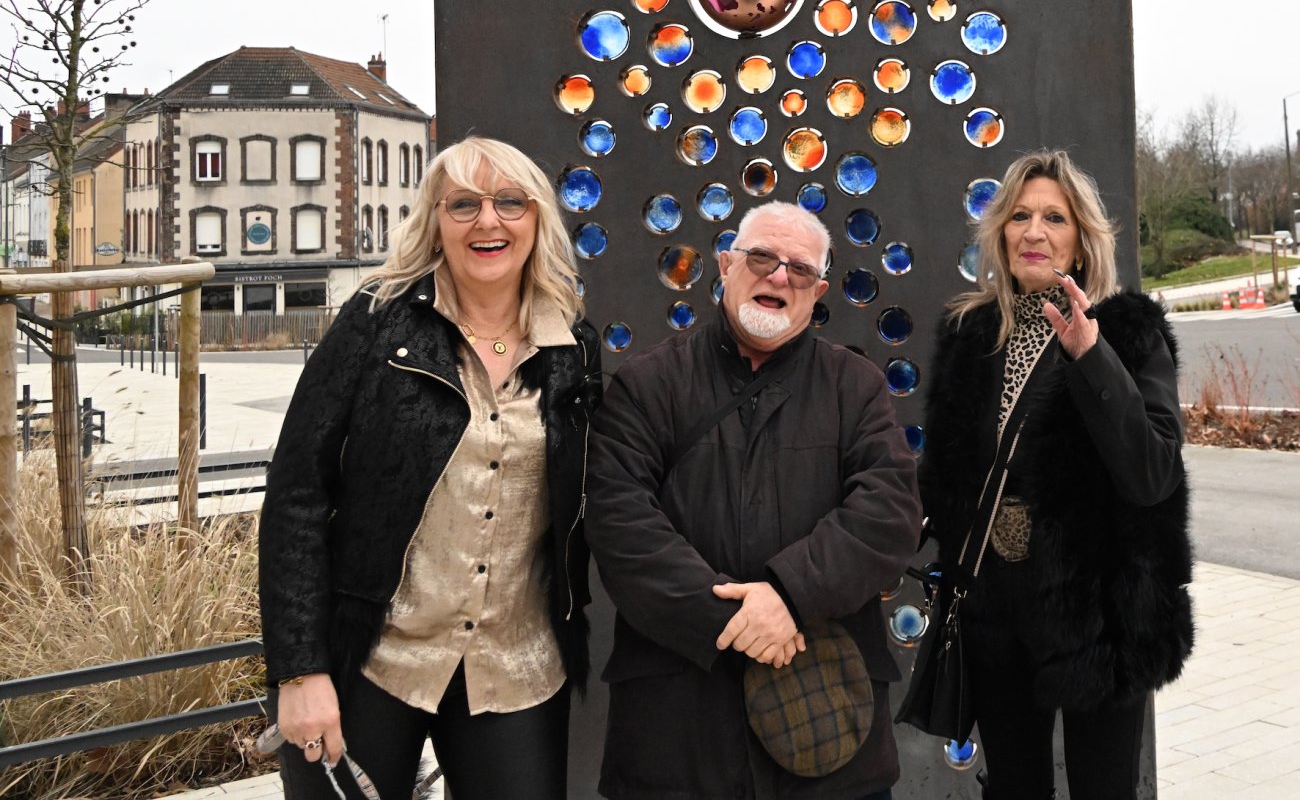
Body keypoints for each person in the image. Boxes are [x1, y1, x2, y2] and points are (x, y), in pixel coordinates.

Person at [259, 136, 601, 799]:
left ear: (537, 219)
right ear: (434, 220)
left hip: (514, 663)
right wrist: (299, 672)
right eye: (464, 204)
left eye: (510, 202)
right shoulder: (377, 323)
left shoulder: (571, 347)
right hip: (370, 660)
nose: (488, 221)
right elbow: (297, 491)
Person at [586, 200, 921, 800]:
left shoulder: (857, 388)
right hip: (676, 740)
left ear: (817, 291)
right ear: (724, 263)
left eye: (798, 269)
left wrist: (791, 595)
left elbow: (888, 515)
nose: (777, 276)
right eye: (761, 257)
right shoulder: (647, 385)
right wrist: (739, 622)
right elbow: (620, 523)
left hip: (827, 736)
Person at [920, 150, 1192, 800]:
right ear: (1001, 233)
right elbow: (948, 471)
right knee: (1013, 787)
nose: (1034, 231)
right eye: (1019, 216)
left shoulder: (1129, 332)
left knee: (1103, 789)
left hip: (1097, 614)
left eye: (1054, 218)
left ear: (1080, 240)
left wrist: (1091, 358)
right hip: (997, 614)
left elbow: (1152, 473)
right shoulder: (969, 333)